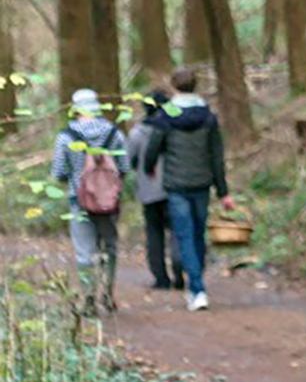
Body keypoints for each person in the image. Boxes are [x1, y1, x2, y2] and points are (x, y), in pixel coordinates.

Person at [144, 68, 235, 312]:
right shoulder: (208, 116)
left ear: (174, 86)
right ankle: (197, 281)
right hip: (201, 184)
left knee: (184, 235)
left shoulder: (167, 115)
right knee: (197, 234)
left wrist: (149, 166)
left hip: (176, 185)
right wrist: (223, 191)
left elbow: (153, 146)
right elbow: (217, 155)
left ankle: (197, 288)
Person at [51, 88, 129, 317]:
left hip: (79, 201)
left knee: (84, 252)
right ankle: (108, 292)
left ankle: (88, 299)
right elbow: (124, 167)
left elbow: (58, 172)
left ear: (75, 109)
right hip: (110, 202)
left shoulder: (66, 136)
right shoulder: (114, 133)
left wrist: (77, 177)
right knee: (110, 246)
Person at [127, 89, 184, 291]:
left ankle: (161, 277)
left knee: (154, 233)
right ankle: (179, 270)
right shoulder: (176, 129)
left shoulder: (137, 133)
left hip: (148, 191)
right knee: (177, 230)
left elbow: (130, 161)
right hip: (174, 186)